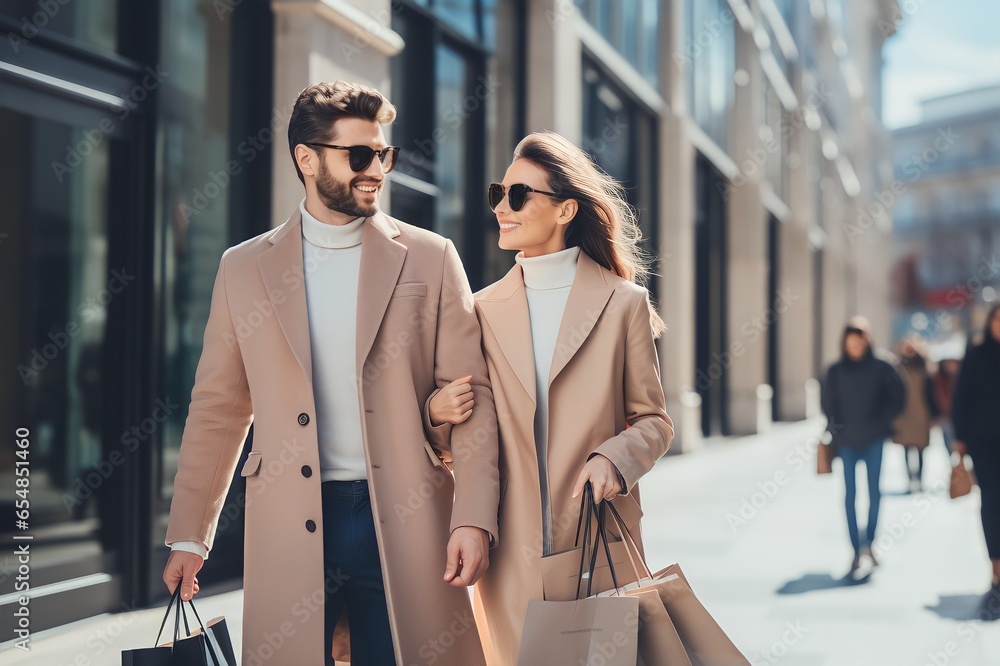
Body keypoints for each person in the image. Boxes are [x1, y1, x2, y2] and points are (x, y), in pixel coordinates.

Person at [162, 81, 499, 665]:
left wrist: (474, 517)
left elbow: (475, 399)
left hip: (405, 516)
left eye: (383, 155)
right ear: (306, 158)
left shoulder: (430, 256)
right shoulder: (243, 268)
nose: (377, 171)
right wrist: (191, 534)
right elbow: (219, 404)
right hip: (287, 521)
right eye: (360, 156)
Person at [428, 131, 674, 664]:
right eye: (499, 193)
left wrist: (615, 457)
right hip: (509, 552)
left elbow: (654, 421)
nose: (502, 208)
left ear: (565, 209)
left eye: (519, 196)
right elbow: (465, 433)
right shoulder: (481, 309)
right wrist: (434, 414)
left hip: (598, 537)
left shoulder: (621, 302)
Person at [821, 316, 906, 576]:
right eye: (851, 342)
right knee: (849, 496)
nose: (855, 346)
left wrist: (882, 423)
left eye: (859, 341)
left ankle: (870, 543)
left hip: (874, 441)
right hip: (846, 442)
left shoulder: (882, 366)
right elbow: (827, 404)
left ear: (866, 341)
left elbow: (899, 396)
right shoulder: (835, 370)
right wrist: (836, 428)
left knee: (874, 493)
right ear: (844, 343)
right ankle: (856, 550)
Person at [951, 303, 1000, 594]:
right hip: (984, 443)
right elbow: (961, 396)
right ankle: (996, 568)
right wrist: (959, 437)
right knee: (992, 502)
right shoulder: (976, 353)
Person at [891, 335, 940, 493]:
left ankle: (919, 480)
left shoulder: (924, 367)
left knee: (920, 449)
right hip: (903, 415)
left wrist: (934, 415)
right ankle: (909, 481)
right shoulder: (897, 367)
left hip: (921, 413)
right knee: (906, 448)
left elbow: (931, 393)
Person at [933, 357, 962, 453]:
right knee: (949, 441)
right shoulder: (940, 379)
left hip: (960, 415)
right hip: (946, 415)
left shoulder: (962, 377)